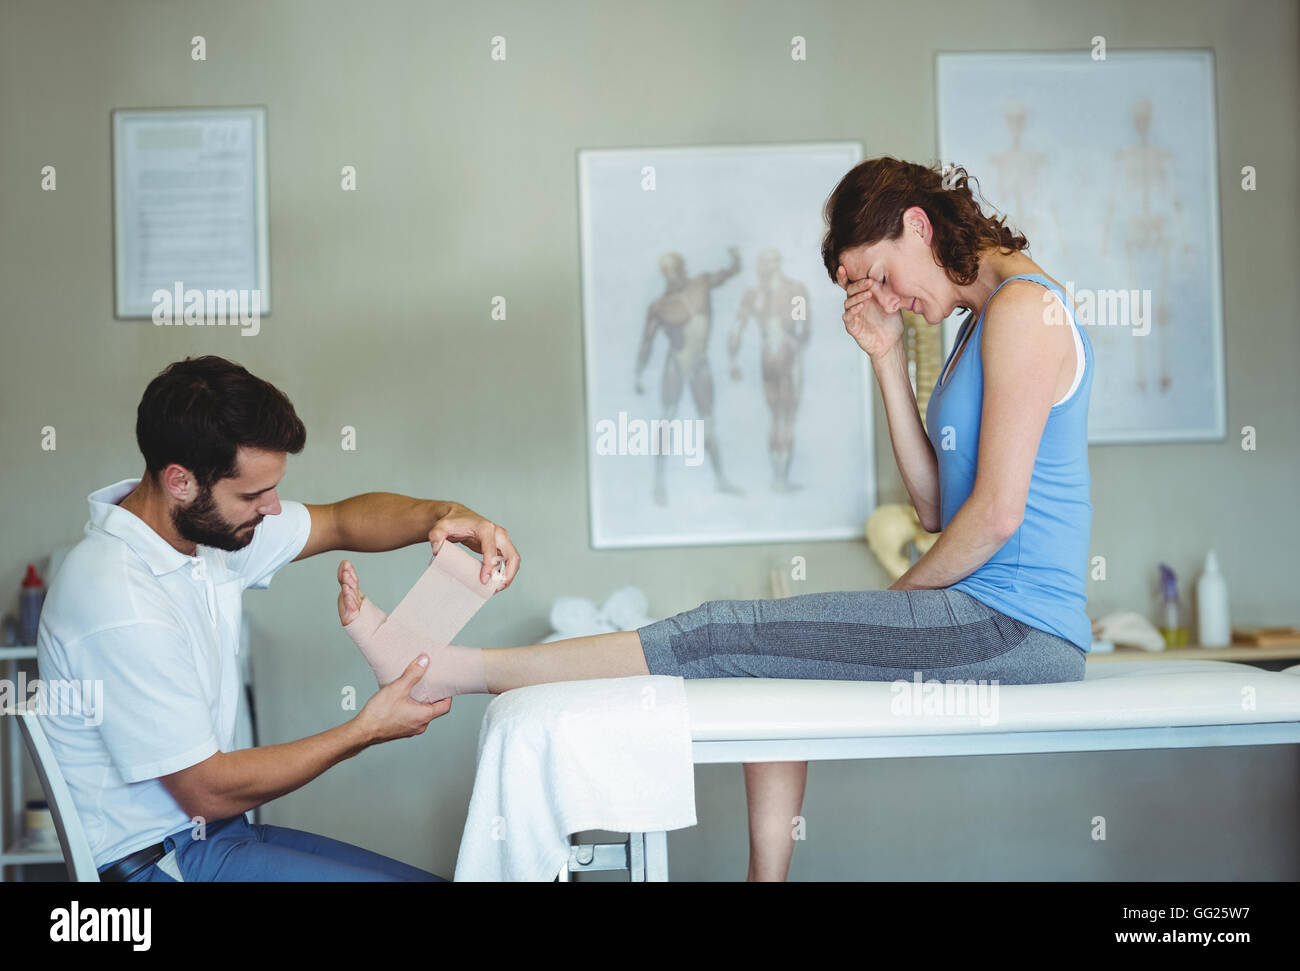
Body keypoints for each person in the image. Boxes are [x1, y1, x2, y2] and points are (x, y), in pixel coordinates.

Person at [338, 157, 1095, 881]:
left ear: (919, 228)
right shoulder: (976, 325)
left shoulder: (1024, 310)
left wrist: (891, 607)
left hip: (1016, 625)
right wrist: (886, 361)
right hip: (985, 613)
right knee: (778, 653)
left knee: (723, 631)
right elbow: (935, 506)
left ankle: (449, 667)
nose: (886, 300)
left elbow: (996, 517)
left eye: (881, 277)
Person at [36, 355, 520, 881]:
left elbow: (339, 521)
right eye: (252, 494)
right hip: (164, 863)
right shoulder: (121, 600)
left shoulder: (198, 536)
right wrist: (366, 729)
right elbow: (206, 786)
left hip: (215, 834)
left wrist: (445, 515)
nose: (271, 508)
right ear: (180, 480)